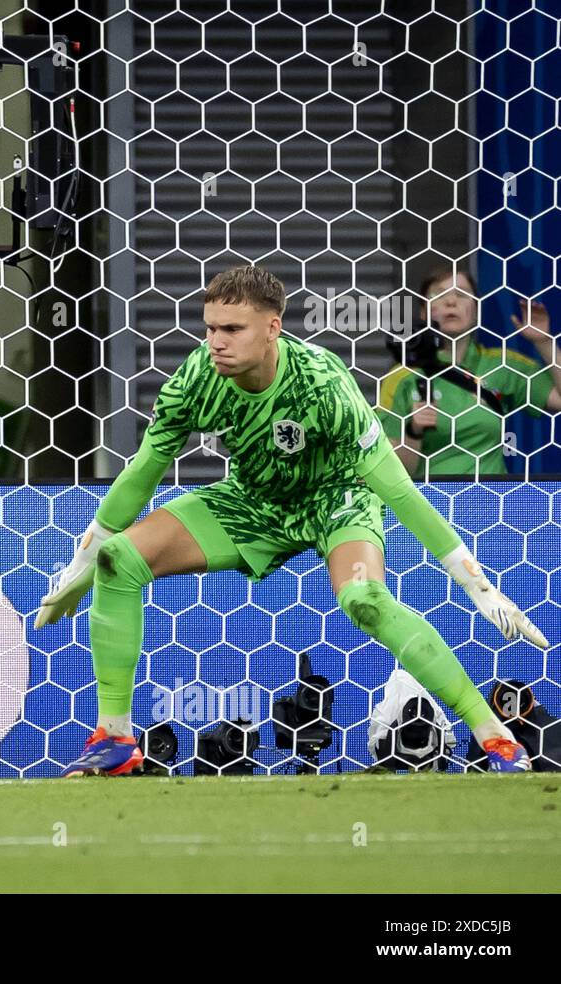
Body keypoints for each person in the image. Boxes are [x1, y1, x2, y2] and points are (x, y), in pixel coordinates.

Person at [37, 265, 547, 776]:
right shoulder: (197, 376)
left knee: (366, 602)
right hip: (254, 501)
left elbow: (396, 489)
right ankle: (116, 738)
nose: (216, 342)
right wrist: (84, 561)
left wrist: (472, 579)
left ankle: (493, 736)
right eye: (211, 328)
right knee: (118, 558)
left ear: (273, 328)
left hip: (337, 500)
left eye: (232, 329)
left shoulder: (322, 382)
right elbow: (144, 470)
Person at [378, 264, 561, 477]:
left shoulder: (502, 365)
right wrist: (413, 431)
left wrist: (544, 342)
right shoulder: (403, 375)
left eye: (462, 294)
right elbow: (390, 473)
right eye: (439, 294)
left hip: (491, 502)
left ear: (476, 310)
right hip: (428, 504)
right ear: (423, 311)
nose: (451, 301)